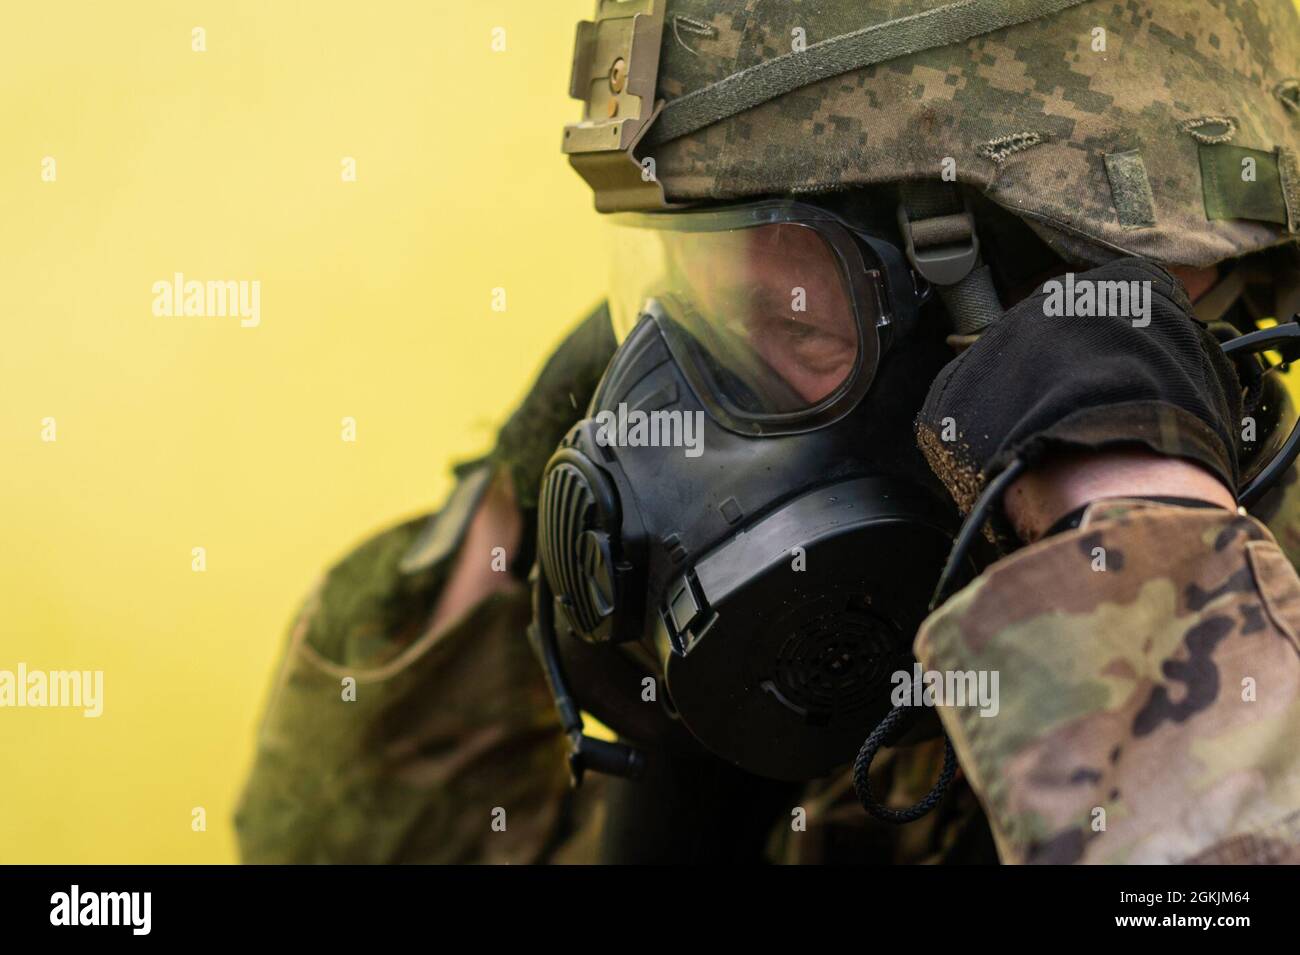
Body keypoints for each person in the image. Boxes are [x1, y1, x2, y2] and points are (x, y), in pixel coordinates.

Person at [235, 0, 1300, 864]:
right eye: (686, 294)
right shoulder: (864, 733)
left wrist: (1153, 574)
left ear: (1106, 284)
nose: (678, 415)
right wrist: (496, 545)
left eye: (775, 319)